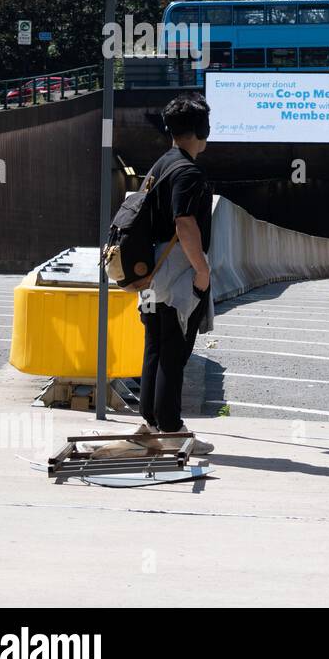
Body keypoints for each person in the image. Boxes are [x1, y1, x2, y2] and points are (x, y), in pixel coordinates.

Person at [135, 92, 216, 455]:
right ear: (202, 128)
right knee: (174, 350)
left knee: (154, 345)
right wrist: (202, 271)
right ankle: (171, 429)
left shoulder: (160, 165)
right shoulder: (187, 171)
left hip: (150, 273)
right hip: (175, 275)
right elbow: (184, 222)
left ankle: (150, 423)